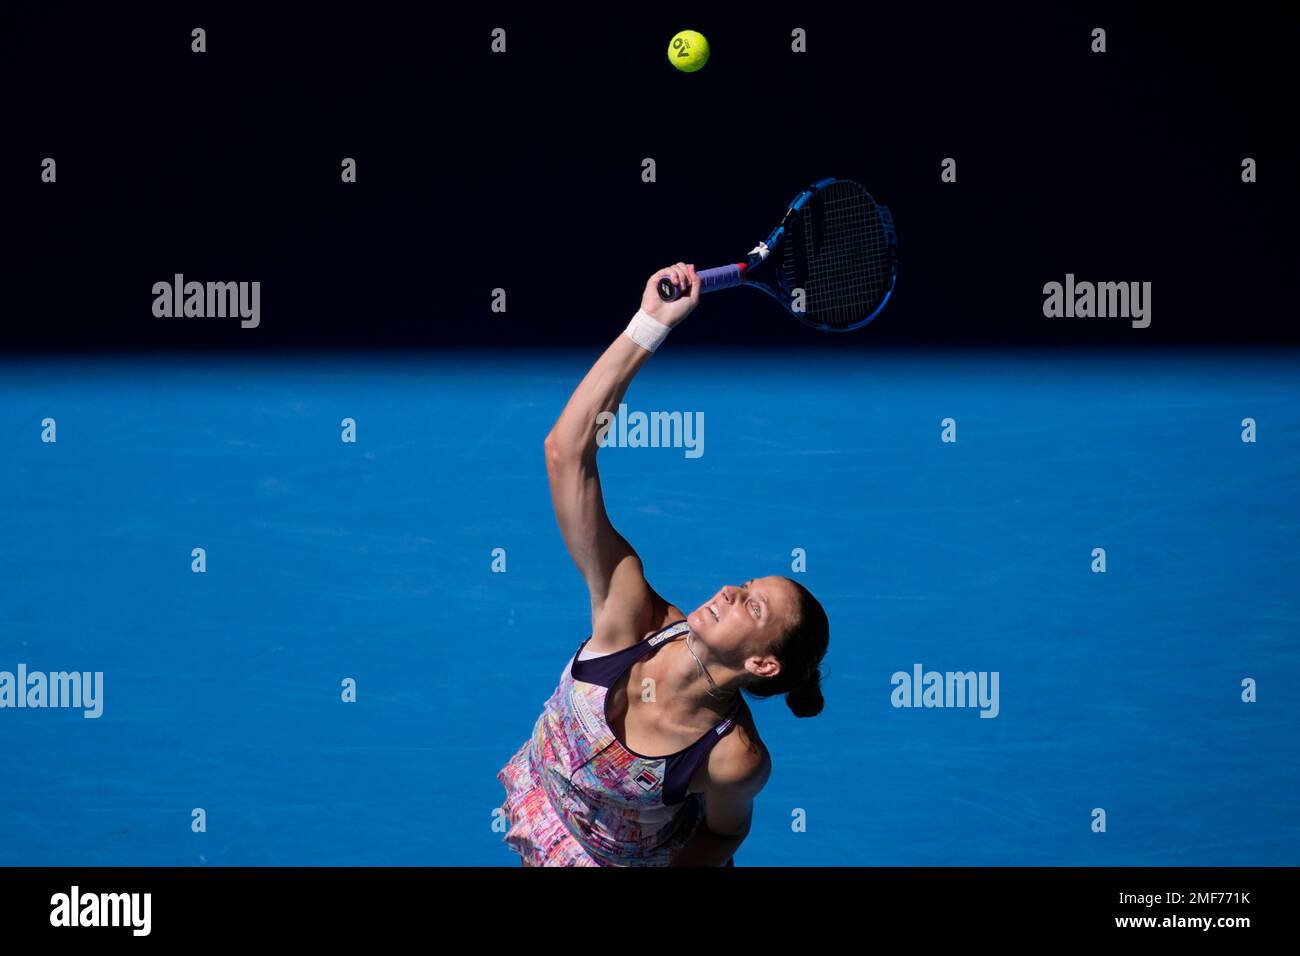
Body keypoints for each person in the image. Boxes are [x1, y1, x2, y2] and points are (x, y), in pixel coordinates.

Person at [497, 263, 830, 866]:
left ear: (761, 661)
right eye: (747, 583)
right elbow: (566, 452)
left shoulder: (733, 758)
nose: (730, 589)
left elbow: (723, 836)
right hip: (540, 805)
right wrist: (649, 324)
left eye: (752, 605)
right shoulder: (632, 617)